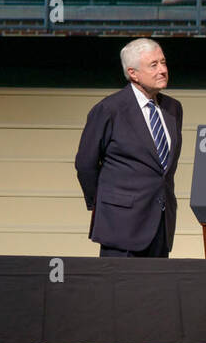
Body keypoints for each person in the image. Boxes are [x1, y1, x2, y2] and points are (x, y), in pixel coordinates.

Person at [75, 37, 183, 256]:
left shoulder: (173, 108)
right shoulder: (109, 109)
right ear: (133, 73)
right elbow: (85, 164)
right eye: (153, 65)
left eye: (163, 62)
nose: (162, 70)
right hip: (121, 226)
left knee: (156, 290)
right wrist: (103, 204)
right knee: (120, 290)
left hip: (161, 225)